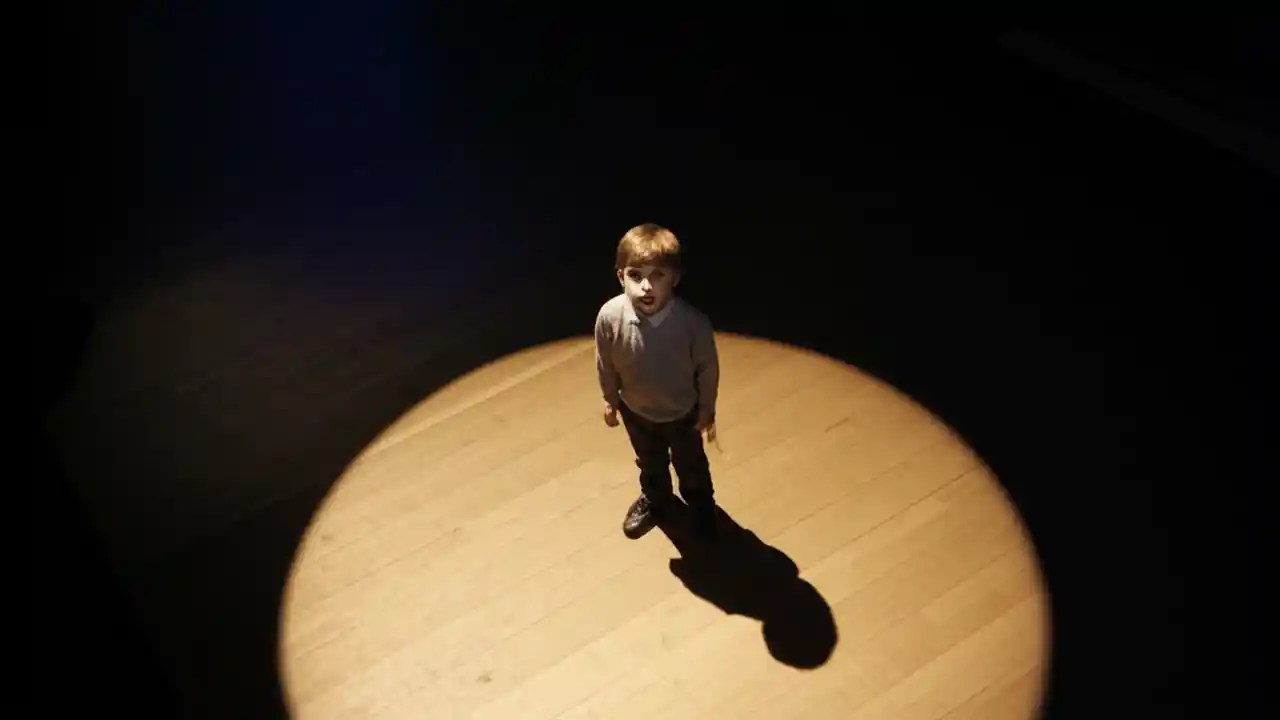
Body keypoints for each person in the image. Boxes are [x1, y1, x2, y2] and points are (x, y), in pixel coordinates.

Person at [595, 223, 720, 540]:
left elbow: (707, 368)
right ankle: (657, 499)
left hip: (683, 413)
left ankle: (702, 507)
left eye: (658, 275)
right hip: (636, 411)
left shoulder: (692, 325)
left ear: (675, 278)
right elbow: (605, 360)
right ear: (621, 276)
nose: (646, 287)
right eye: (636, 276)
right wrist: (610, 398)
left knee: (691, 465)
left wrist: (707, 408)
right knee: (649, 462)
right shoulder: (610, 317)